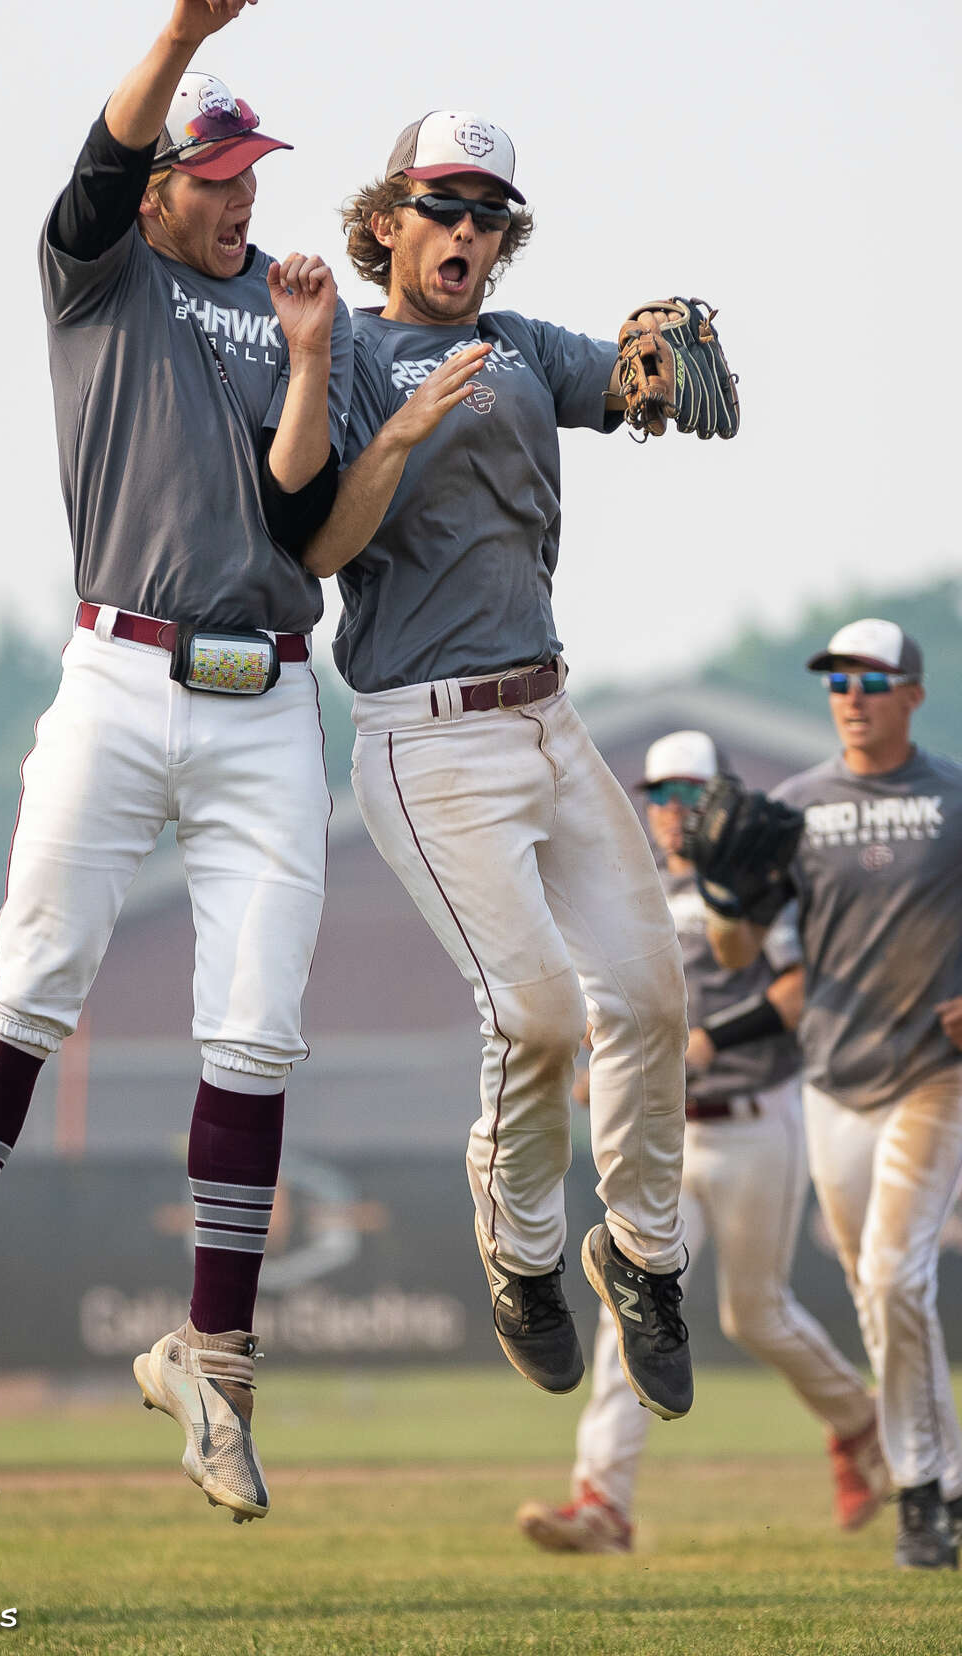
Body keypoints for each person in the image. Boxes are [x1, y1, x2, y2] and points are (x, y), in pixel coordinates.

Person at [0, 0, 352, 1528]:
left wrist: (317, 360)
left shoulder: (285, 306)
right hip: (122, 675)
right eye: (213, 175)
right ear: (156, 190)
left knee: (256, 1035)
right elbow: (96, 161)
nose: (239, 197)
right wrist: (182, 34)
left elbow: (301, 517)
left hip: (271, 693)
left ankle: (216, 1363)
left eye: (250, 173)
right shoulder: (99, 275)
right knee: (32, 982)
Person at [303, 112, 697, 1422]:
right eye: (442, 204)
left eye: (489, 211)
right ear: (386, 223)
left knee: (648, 996)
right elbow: (318, 547)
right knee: (536, 1016)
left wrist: (661, 357)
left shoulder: (520, 344)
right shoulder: (351, 355)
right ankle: (524, 1258)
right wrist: (402, 428)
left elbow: (628, 383)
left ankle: (641, 1256)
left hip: (548, 717)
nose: (467, 228)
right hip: (426, 736)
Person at [517, 730, 888, 1555]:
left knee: (756, 1315)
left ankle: (859, 1423)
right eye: (660, 794)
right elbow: (610, 1005)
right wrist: (599, 1057)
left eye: (689, 792)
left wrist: (711, 1040)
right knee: (631, 1306)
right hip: (668, 1134)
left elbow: (797, 991)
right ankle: (603, 1503)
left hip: (756, 1117)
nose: (673, 810)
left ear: (722, 796)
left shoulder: (755, 884)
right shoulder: (633, 889)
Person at [699, 619, 962, 1569]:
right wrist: (729, 895)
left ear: (913, 694)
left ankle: (919, 1494)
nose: (851, 695)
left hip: (933, 1073)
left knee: (895, 1278)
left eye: (872, 680)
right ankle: (946, 1479)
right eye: (838, 680)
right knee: (876, 1292)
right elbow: (737, 953)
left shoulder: (953, 797)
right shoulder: (797, 807)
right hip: (834, 1081)